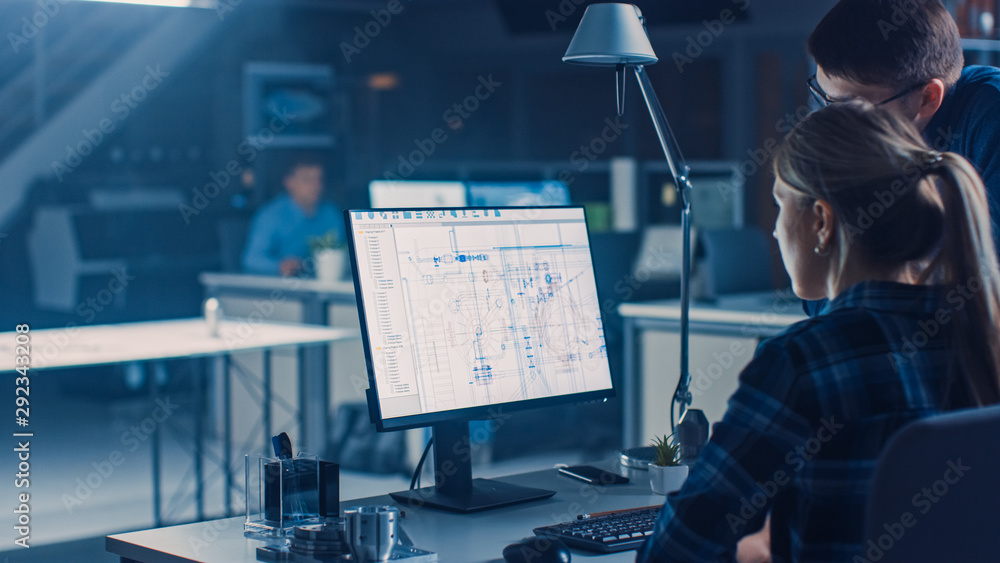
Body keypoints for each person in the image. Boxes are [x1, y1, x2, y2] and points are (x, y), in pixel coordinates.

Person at [636, 101, 1000, 562]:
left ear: (821, 222)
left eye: (780, 205)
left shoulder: (802, 363)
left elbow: (672, 554)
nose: (774, 231)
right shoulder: (978, 336)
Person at [803, 0, 1000, 316]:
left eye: (851, 106)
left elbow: (983, 281)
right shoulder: (863, 140)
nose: (834, 121)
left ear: (928, 98)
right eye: (823, 97)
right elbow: (820, 290)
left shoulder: (990, 115)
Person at [242, 157, 346, 277]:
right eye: (307, 180)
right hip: (282, 285)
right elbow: (251, 259)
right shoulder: (270, 216)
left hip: (325, 284)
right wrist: (280, 266)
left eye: (319, 179)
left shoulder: (331, 213)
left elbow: (342, 252)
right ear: (289, 182)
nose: (316, 185)